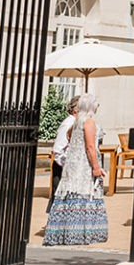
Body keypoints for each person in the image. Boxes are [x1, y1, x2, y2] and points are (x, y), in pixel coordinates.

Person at [45, 92, 108, 246]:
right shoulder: (89, 122)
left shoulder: (77, 122)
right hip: (84, 165)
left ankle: (65, 232)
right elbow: (91, 146)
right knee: (85, 193)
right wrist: (96, 167)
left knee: (72, 194)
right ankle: (82, 233)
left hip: (73, 163)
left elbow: (68, 135)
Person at [48, 95, 79, 213]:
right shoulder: (68, 123)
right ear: (75, 109)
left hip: (68, 166)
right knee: (60, 200)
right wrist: (66, 165)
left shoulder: (76, 123)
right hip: (62, 166)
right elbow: (58, 150)